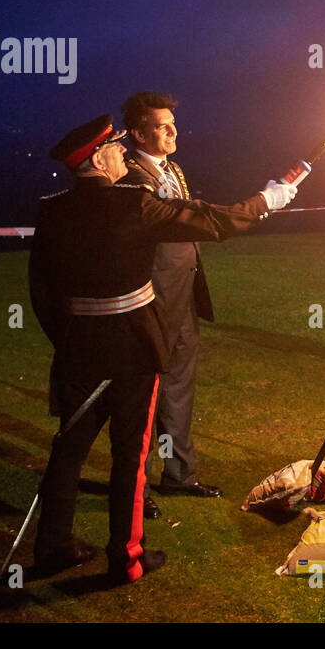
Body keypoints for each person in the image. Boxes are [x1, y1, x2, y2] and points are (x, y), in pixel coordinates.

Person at [28, 113, 296, 583]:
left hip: (77, 350)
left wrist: (72, 339)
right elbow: (209, 221)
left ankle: (52, 547)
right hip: (133, 346)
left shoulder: (51, 210)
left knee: (67, 451)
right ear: (97, 159)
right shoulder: (135, 203)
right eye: (112, 149)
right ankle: (126, 560)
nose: (119, 154)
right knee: (130, 456)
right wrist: (265, 202)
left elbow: (43, 294)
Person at [120, 92, 220, 518]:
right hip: (154, 299)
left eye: (173, 123)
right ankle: (135, 491)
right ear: (140, 132)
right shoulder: (130, 175)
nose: (173, 131)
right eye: (163, 126)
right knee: (146, 393)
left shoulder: (172, 168)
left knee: (179, 388)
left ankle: (179, 475)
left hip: (184, 298)